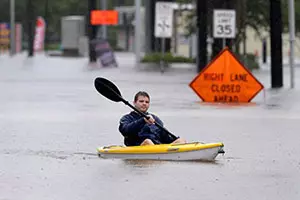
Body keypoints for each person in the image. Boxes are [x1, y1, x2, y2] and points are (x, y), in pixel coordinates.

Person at [119, 91, 186, 146]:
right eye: (141, 101)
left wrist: (175, 140)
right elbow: (125, 131)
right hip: (140, 146)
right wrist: (143, 120)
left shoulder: (155, 119)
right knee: (148, 142)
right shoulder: (126, 118)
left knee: (181, 140)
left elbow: (165, 136)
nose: (144, 104)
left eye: (147, 102)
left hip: (158, 147)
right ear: (134, 103)